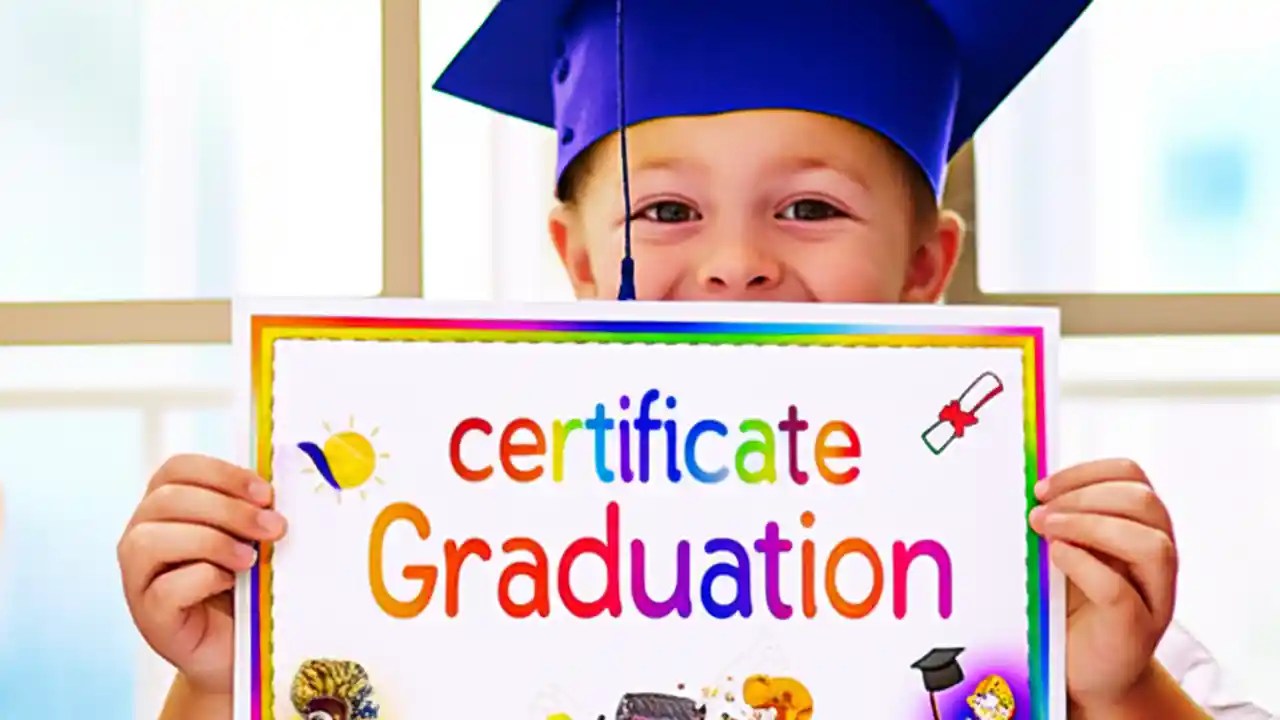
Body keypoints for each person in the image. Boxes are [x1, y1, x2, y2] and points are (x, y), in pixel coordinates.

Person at [117, 0, 1274, 718]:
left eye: (809, 208)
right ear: (574, 256)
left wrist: (1117, 691)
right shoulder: (408, 550)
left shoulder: (1028, 571)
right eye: (664, 212)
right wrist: (223, 684)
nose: (734, 264)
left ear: (928, 265)